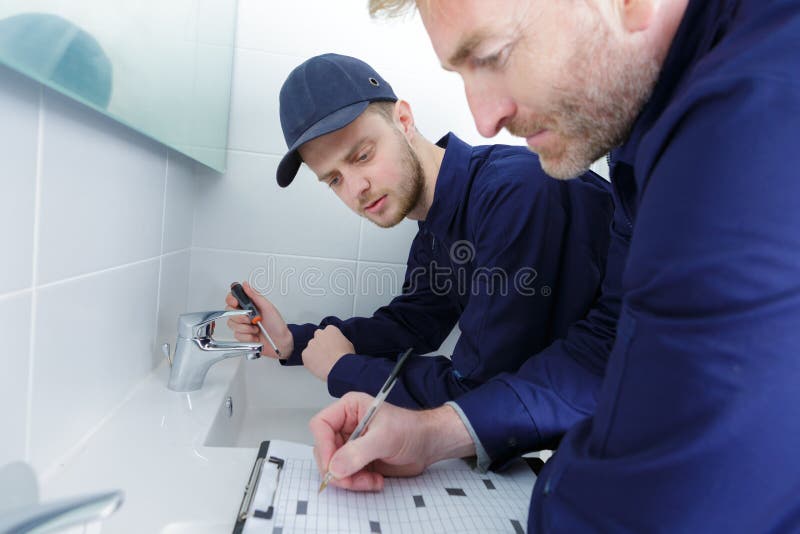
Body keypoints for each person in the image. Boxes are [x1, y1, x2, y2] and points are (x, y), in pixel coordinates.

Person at [310, 0, 800, 531]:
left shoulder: (760, 105)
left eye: (494, 55)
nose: (484, 118)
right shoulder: (640, 142)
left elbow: (706, 476)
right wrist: (436, 432)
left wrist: (348, 369)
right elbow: (605, 342)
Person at [226, 53, 613, 409]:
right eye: (334, 180)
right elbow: (412, 325)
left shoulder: (514, 193)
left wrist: (344, 369)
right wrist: (291, 342)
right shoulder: (433, 229)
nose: (355, 188)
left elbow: (482, 386)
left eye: (362, 155)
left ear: (404, 120)